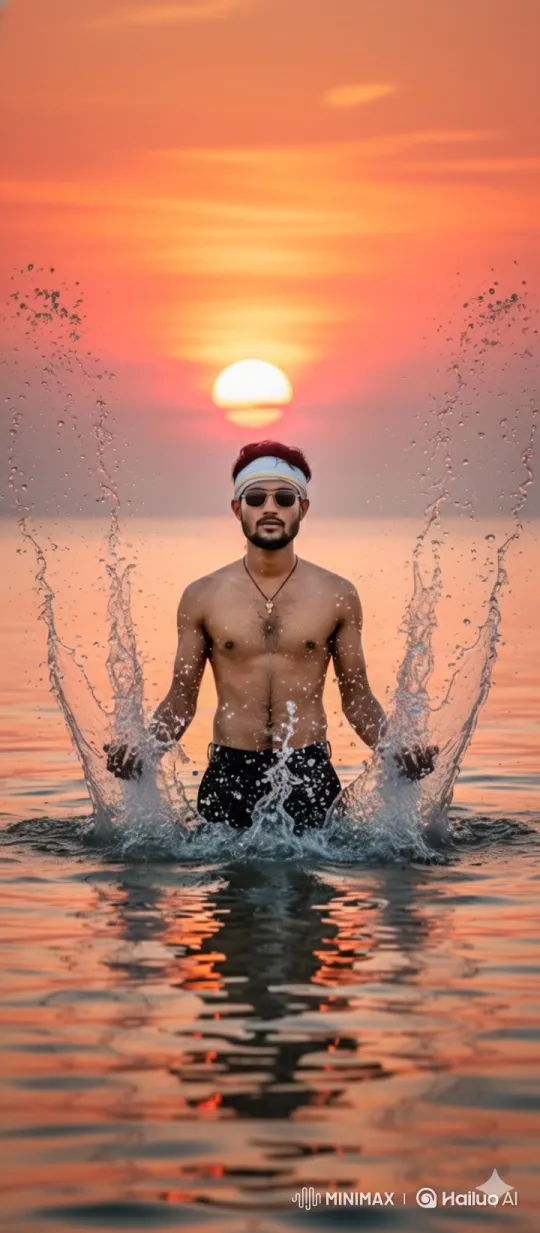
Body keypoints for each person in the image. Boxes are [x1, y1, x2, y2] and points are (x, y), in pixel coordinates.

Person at [105, 442, 438, 832]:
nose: (269, 508)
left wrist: (395, 751)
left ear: (303, 508)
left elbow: (357, 698)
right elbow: (181, 701)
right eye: (255, 497)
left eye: (283, 498)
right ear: (237, 508)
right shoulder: (202, 596)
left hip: (307, 771)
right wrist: (144, 751)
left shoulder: (337, 594)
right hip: (229, 774)